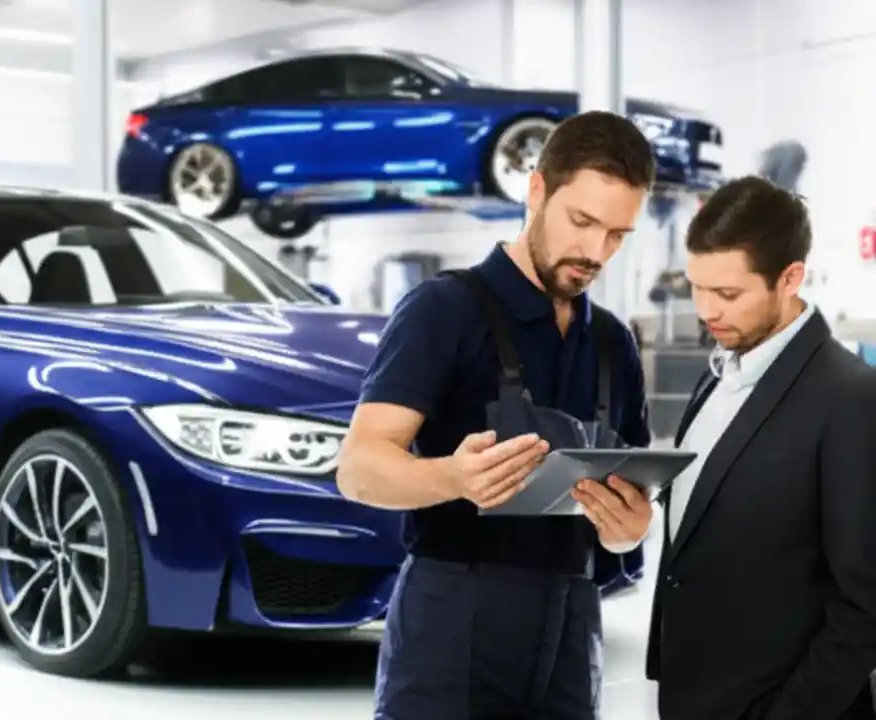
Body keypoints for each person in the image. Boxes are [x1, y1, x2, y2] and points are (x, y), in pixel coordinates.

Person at [337, 110, 657, 719]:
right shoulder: (444, 311)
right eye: (582, 222)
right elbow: (358, 467)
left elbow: (631, 500)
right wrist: (452, 479)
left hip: (572, 624)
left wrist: (629, 529)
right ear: (536, 190)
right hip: (451, 620)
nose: (595, 251)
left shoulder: (614, 343)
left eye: (618, 235)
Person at [645, 176, 876, 719]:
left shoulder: (850, 397)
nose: (707, 311)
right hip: (694, 698)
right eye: (696, 288)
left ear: (790, 278)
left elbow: (865, 603)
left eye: (727, 294)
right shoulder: (718, 376)